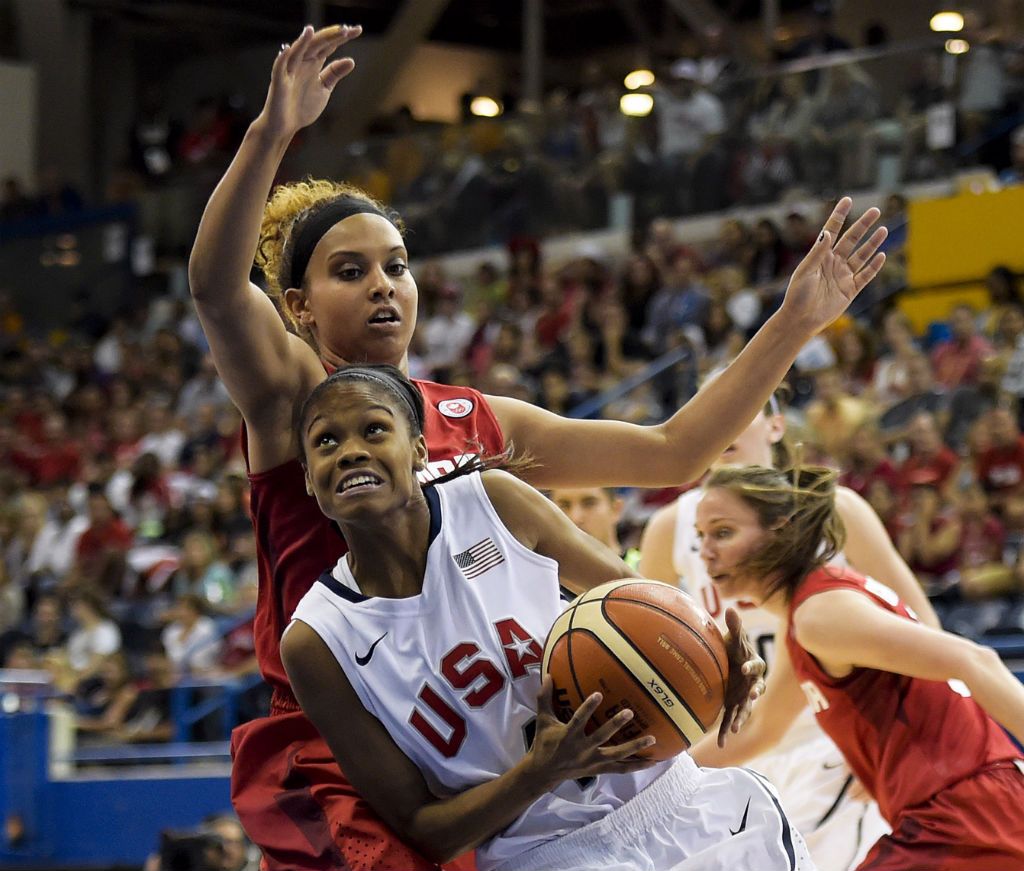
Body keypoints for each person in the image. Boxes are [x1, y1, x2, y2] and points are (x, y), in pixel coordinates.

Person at [189, 23, 887, 870]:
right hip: (356, 723)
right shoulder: (295, 403)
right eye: (351, 272)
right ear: (298, 307)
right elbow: (219, 289)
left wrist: (794, 321)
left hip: (505, 718)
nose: (382, 285)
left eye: (398, 266)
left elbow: (674, 451)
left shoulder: (481, 423)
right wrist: (271, 134)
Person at [281, 365, 809, 871]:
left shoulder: (491, 501)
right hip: (543, 856)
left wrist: (717, 662)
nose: (350, 452)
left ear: (418, 448)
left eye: (374, 430)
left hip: (680, 802)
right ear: (308, 478)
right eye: (326, 442)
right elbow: (424, 831)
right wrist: (540, 772)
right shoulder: (317, 641)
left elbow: (651, 608)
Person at [639, 387, 938, 871]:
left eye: (742, 405)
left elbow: (925, 626)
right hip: (729, 745)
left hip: (832, 741)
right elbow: (647, 654)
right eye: (713, 409)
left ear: (776, 427)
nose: (727, 419)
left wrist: (906, 740)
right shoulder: (671, 526)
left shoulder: (834, 514)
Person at [692, 464, 1024, 870]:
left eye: (723, 533)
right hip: (955, 809)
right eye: (700, 537)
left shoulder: (821, 615)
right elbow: (763, 730)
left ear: (779, 531)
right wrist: (658, 773)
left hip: (966, 809)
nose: (706, 551)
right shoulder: (805, 616)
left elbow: (977, 660)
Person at [548, 486, 640, 570]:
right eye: (564, 505)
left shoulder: (645, 567)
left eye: (589, 503)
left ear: (616, 509)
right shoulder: (545, 575)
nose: (576, 517)